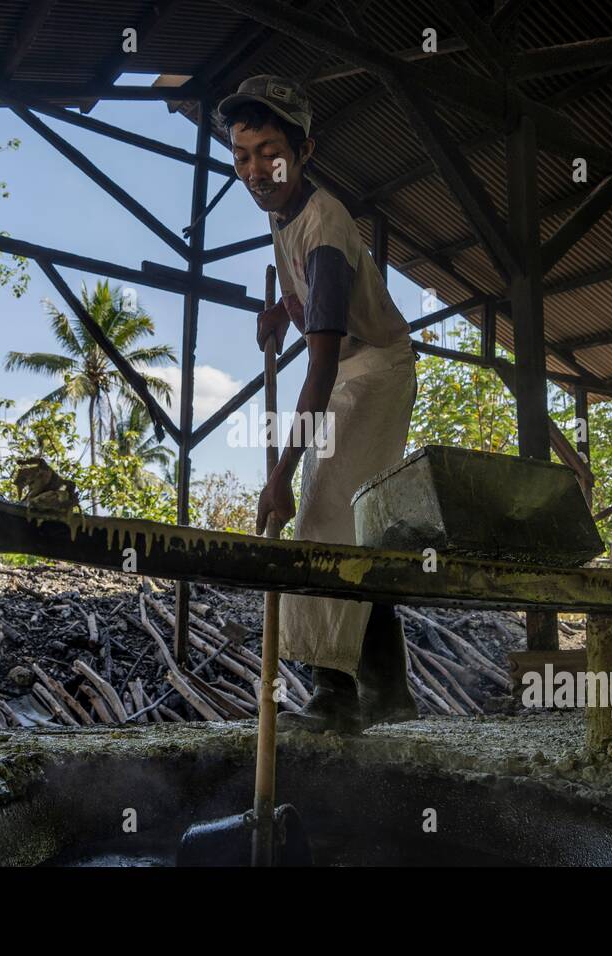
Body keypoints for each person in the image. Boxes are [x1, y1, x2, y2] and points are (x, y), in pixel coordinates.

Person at [217, 75, 419, 734]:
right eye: (242, 155)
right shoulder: (283, 213)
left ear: (304, 150)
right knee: (352, 526)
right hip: (349, 360)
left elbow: (325, 360)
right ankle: (390, 693)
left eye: (269, 152)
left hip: (377, 368)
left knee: (320, 507)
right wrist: (283, 311)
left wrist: (279, 476)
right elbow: (312, 301)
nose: (255, 169)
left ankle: (335, 693)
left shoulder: (325, 225)